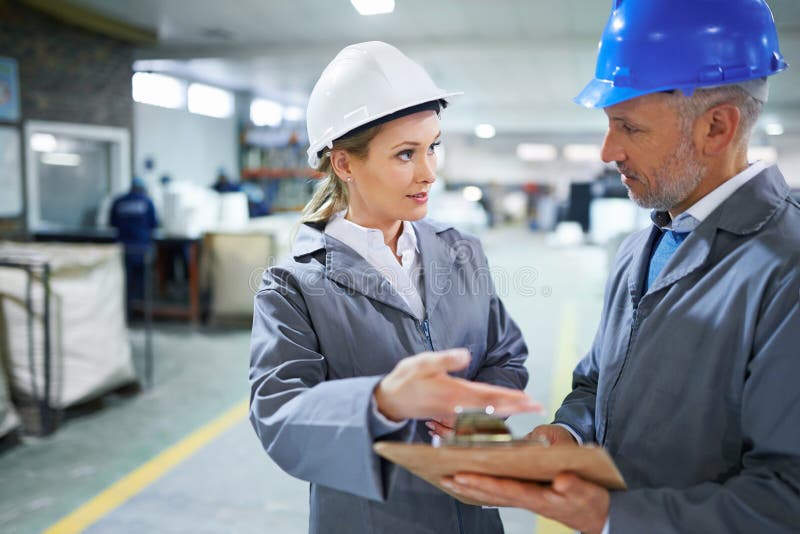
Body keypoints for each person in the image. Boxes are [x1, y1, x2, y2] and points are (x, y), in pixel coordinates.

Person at [442, 1, 800, 533]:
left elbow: (786, 497)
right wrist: (568, 434)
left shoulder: (786, 268)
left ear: (717, 128)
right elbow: (596, 382)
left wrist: (610, 516)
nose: (608, 151)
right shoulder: (640, 248)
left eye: (629, 128)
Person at [249, 41, 539, 534]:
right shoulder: (293, 286)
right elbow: (280, 420)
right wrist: (382, 402)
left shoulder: (461, 251)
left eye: (433, 147)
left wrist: (477, 414)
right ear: (344, 164)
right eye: (406, 154)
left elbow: (506, 355)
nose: (429, 172)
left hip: (473, 514)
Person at [109, 176, 158, 315]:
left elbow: (112, 223)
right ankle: (143, 314)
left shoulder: (118, 201)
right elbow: (154, 223)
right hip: (142, 249)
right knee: (143, 283)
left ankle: (126, 314)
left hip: (123, 249)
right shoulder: (147, 202)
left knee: (124, 283)